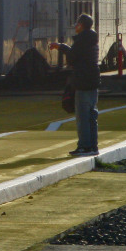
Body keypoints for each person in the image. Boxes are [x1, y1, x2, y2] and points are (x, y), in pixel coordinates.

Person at [51, 13, 100, 157]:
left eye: (77, 23)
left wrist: (61, 47)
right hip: (93, 81)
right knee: (92, 116)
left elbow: (73, 57)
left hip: (83, 82)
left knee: (82, 116)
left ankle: (84, 147)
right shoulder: (92, 39)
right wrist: (63, 47)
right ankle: (92, 146)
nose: (75, 26)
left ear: (81, 25)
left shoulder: (82, 40)